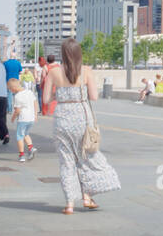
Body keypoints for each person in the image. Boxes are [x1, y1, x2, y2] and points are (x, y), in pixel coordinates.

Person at [43, 39, 120, 214]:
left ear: (63, 54)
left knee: (67, 161)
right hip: (82, 117)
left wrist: (61, 94)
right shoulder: (86, 71)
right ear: (79, 53)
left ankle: (70, 203)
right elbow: (94, 96)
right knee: (87, 157)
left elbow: (46, 99)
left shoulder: (53, 72)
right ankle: (87, 195)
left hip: (62, 119)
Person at [10, 77, 38, 161]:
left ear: (13, 88)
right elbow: (35, 103)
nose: (11, 91)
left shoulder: (17, 96)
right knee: (26, 133)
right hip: (31, 118)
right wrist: (35, 114)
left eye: (10, 89)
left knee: (19, 136)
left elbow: (17, 110)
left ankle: (21, 155)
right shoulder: (29, 92)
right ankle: (31, 148)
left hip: (23, 119)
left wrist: (13, 118)